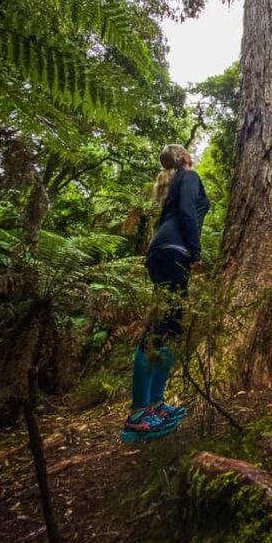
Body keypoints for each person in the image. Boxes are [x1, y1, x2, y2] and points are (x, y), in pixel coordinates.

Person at [121, 144, 210, 442]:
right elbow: (188, 212)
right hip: (174, 251)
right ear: (185, 157)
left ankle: (156, 405)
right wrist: (195, 251)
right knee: (159, 328)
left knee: (170, 326)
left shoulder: (173, 182)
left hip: (166, 251)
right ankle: (137, 415)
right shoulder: (188, 176)